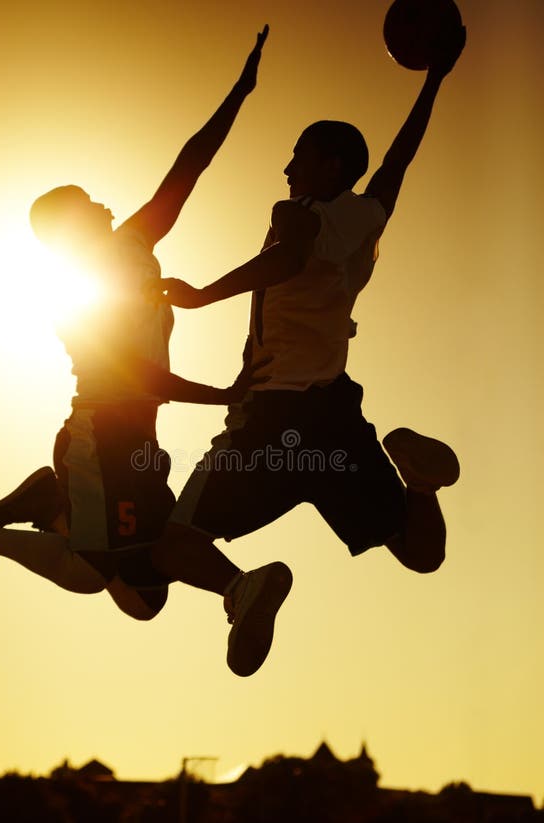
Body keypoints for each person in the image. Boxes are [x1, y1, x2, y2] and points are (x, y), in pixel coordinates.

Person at [0, 26, 293, 643]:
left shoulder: (130, 244)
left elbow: (188, 168)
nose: (105, 206)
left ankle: (24, 513)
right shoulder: (74, 298)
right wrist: (223, 394)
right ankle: (9, 520)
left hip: (130, 436)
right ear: (69, 228)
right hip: (102, 440)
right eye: (89, 203)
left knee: (140, 588)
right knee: (121, 578)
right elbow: (135, 378)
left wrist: (240, 94)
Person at [149, 24, 467, 675]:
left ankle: (243, 589)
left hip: (270, 422)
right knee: (420, 553)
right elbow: (396, 163)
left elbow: (288, 256)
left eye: (299, 155)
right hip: (334, 421)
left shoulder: (295, 215)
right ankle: (423, 484)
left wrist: (203, 295)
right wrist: (435, 78)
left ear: (329, 167)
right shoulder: (364, 218)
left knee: (169, 544)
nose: (288, 167)